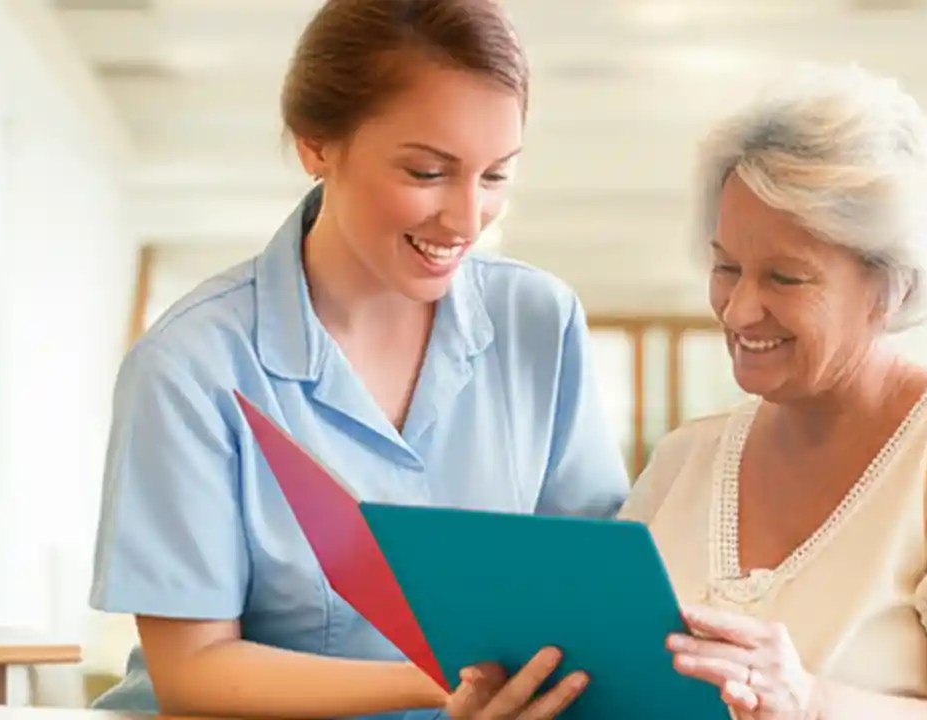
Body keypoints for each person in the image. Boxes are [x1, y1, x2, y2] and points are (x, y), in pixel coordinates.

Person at [86, 1, 627, 718]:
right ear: (317, 144)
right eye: (428, 171)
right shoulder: (193, 365)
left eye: (495, 176)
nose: (467, 221)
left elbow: (588, 592)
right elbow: (194, 672)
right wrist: (443, 683)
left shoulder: (541, 324)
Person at [621, 63, 927, 719]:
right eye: (726, 268)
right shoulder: (685, 462)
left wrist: (809, 702)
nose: (740, 310)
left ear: (892, 286)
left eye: (785, 278)